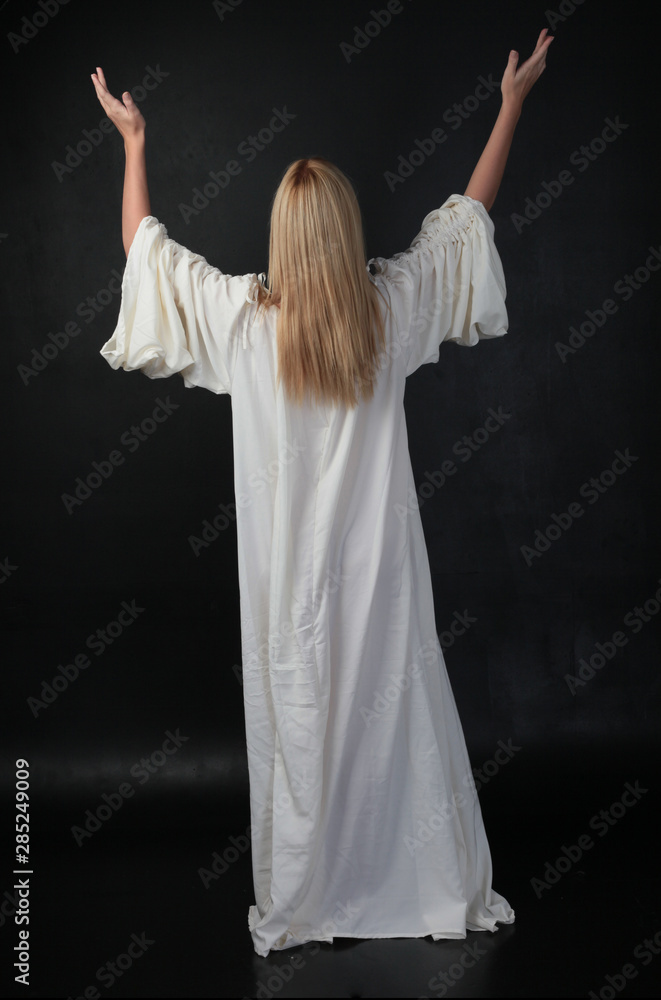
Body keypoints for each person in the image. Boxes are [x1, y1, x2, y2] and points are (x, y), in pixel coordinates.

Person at [91, 28, 553, 958]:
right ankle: (413, 885)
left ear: (282, 235)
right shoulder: (388, 310)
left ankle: (312, 899)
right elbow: (465, 215)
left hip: (289, 589)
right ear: (344, 229)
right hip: (379, 578)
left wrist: (134, 145)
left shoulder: (242, 321)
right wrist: (511, 103)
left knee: (302, 728)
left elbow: (147, 253)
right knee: (394, 720)